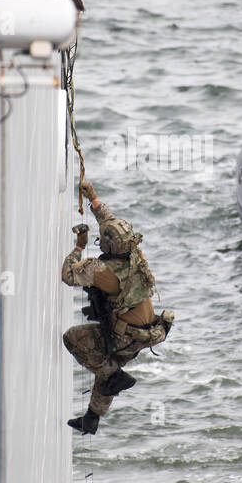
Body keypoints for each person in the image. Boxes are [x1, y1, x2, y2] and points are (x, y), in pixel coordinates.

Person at [60, 181, 174, 434]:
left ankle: (115, 378)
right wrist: (93, 198)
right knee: (107, 364)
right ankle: (92, 418)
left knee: (73, 340)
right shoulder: (132, 252)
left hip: (127, 334)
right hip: (148, 330)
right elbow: (110, 221)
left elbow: (68, 275)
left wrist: (79, 246)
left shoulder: (103, 271)